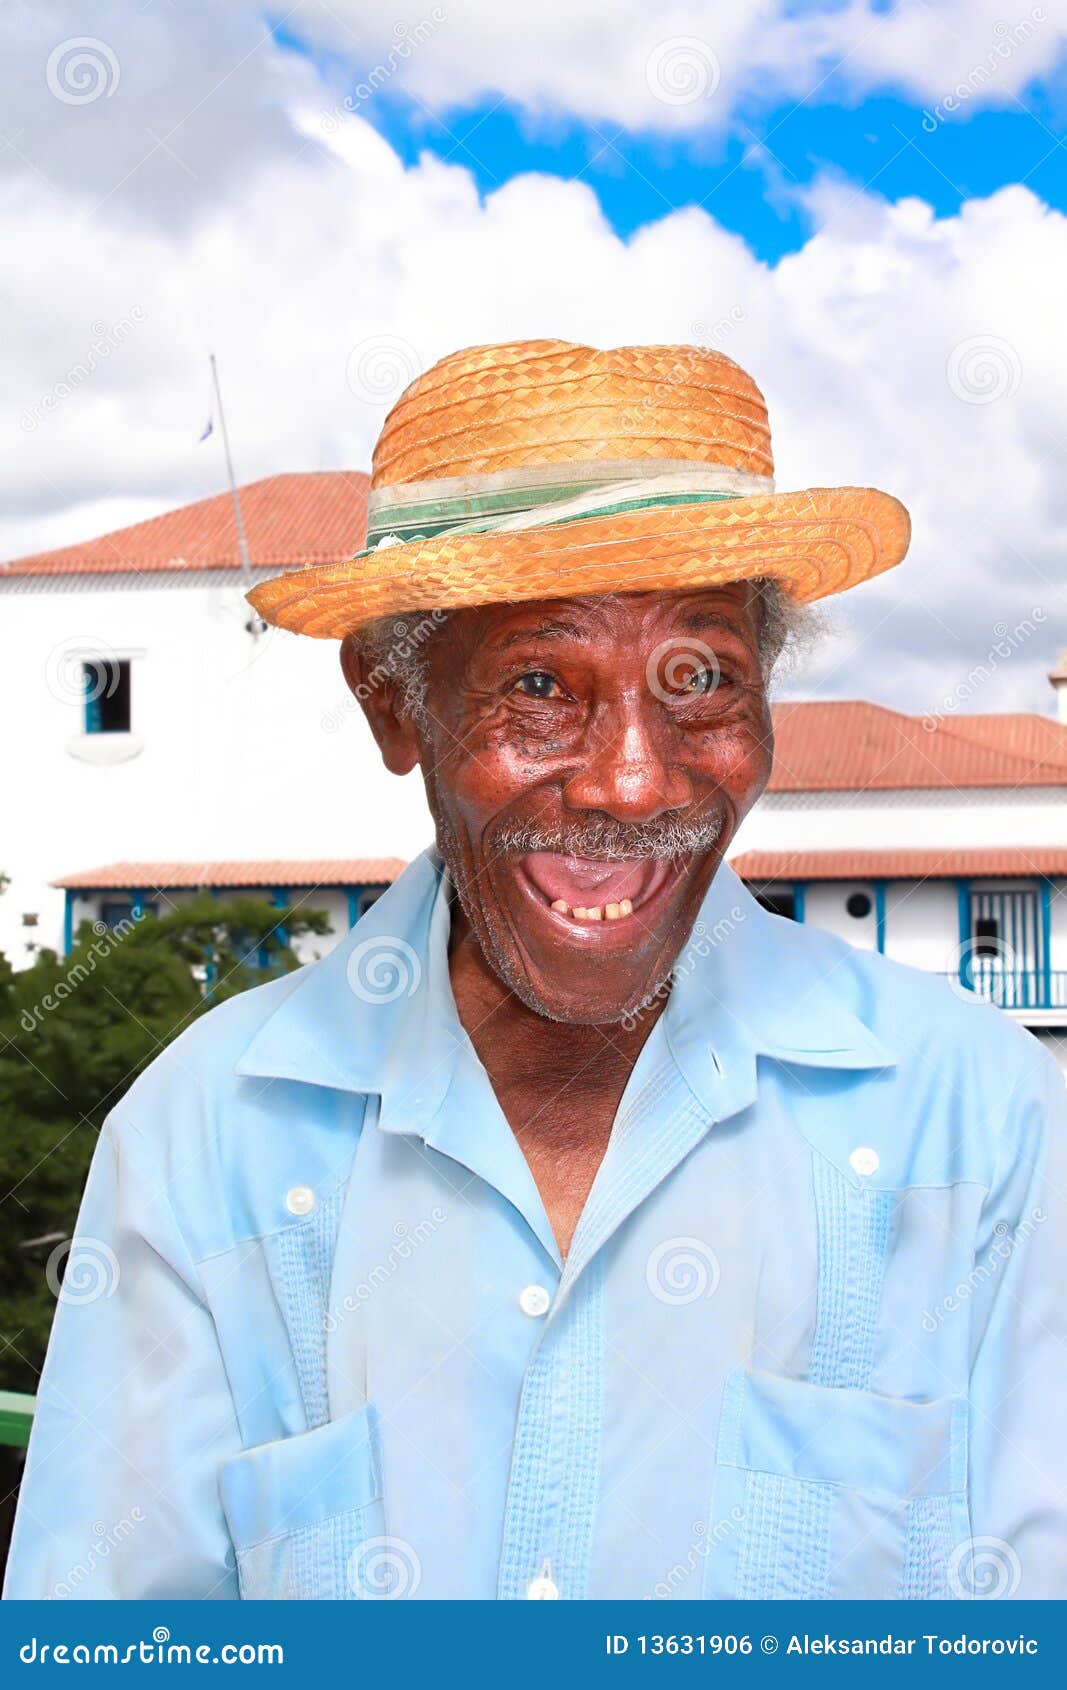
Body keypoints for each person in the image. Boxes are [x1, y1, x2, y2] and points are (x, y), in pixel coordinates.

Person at [6, 340, 1064, 1601]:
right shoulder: (205, 1139)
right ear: (395, 707)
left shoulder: (982, 1121)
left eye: (700, 679)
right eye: (540, 685)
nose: (632, 780)